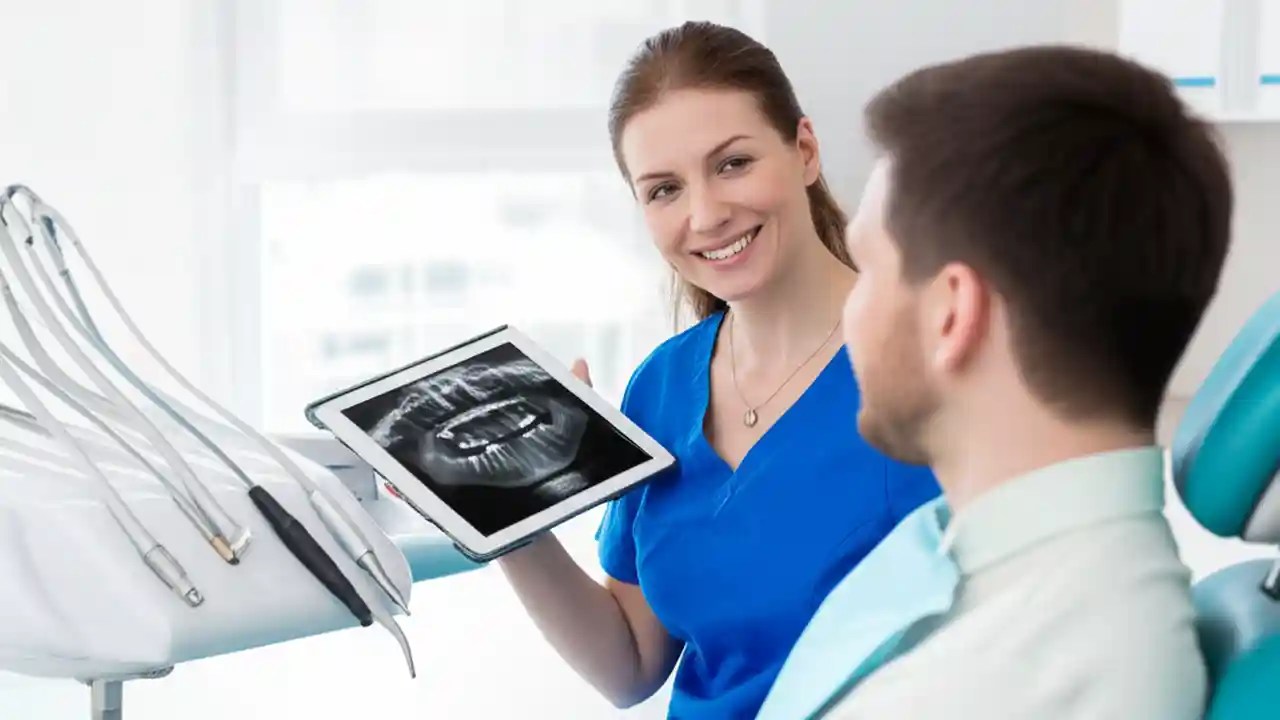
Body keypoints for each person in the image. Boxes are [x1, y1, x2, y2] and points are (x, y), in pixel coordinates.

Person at [757, 44, 1233, 720]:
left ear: (952, 312)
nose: (850, 307)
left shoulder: (1006, 680)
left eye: (869, 268)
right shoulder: (982, 552)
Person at [496, 21, 939, 719]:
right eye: (664, 189)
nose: (705, 214)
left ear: (804, 150)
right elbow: (631, 664)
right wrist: (509, 517)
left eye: (733, 163)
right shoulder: (661, 389)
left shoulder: (931, 361)